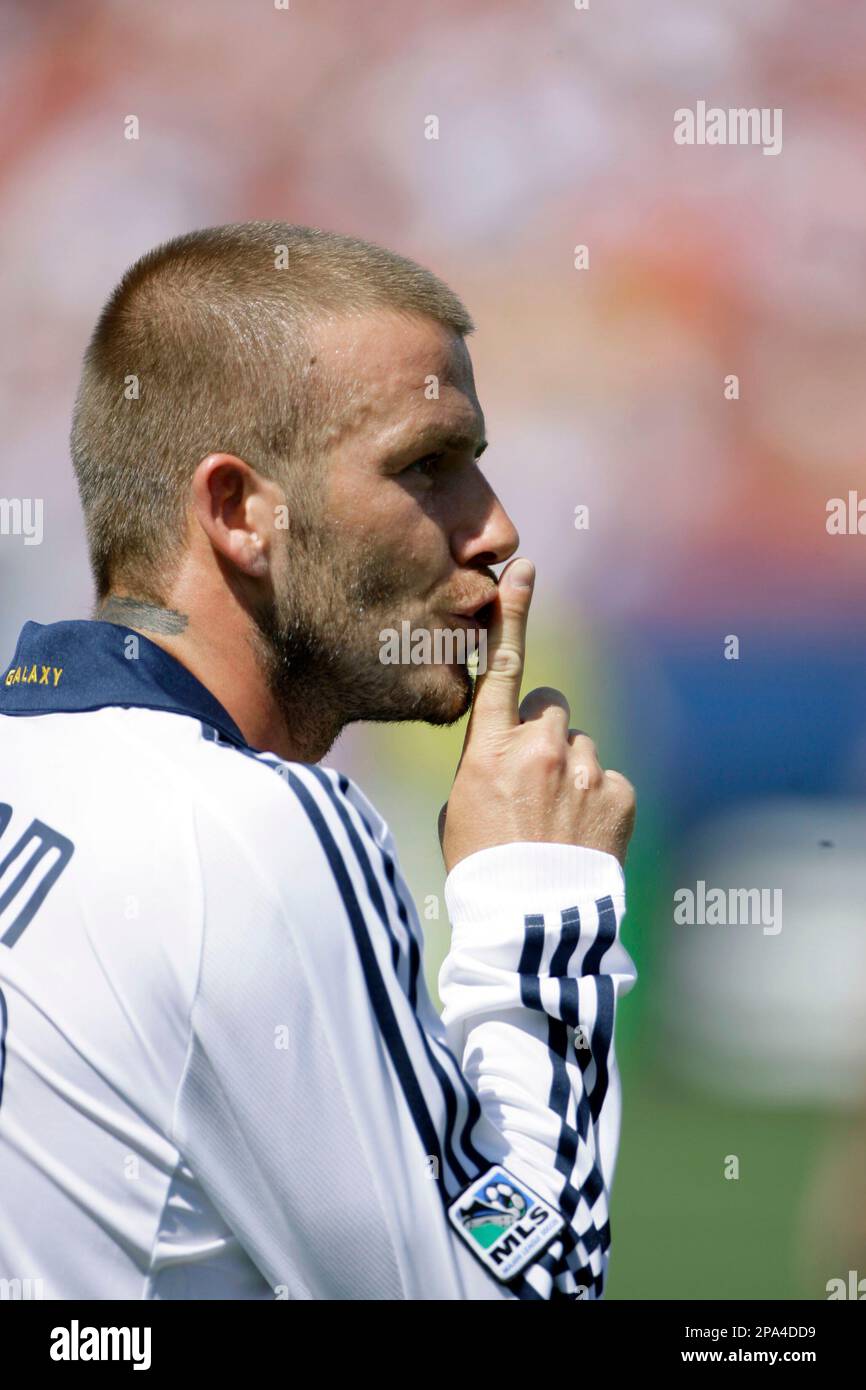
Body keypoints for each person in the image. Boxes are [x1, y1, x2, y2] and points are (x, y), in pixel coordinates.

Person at [0, 223, 636, 1300]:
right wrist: (541, 907)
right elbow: (517, 1294)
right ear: (239, 512)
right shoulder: (250, 829)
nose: (495, 527)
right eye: (426, 466)